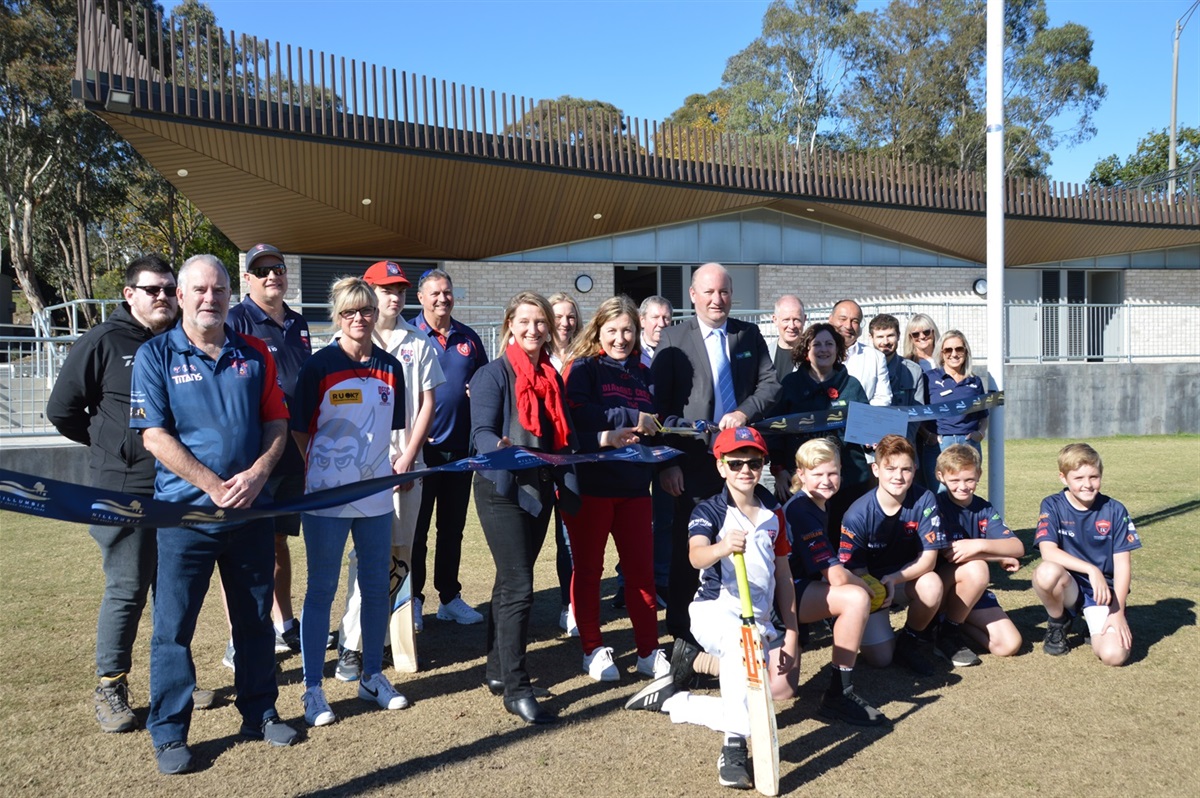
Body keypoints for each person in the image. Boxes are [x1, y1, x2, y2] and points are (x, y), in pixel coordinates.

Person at [130, 254, 297, 774]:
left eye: (219, 289)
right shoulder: (155, 355)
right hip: (186, 518)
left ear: (231, 295)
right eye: (200, 289)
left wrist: (257, 476)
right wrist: (211, 483)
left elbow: (277, 423)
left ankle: (261, 711)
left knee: (253, 622)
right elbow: (153, 435)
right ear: (180, 296)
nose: (211, 298)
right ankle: (170, 732)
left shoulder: (255, 353)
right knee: (173, 629)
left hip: (249, 514)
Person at [46, 254, 216, 732]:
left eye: (167, 288)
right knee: (127, 589)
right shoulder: (103, 340)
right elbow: (62, 410)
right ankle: (111, 686)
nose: (161, 296)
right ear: (129, 295)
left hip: (176, 488)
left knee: (174, 591)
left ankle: (173, 680)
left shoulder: (178, 341)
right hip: (123, 489)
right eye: (151, 289)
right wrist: (112, 445)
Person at [624, 426, 797, 792]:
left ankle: (679, 702)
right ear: (721, 467)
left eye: (754, 462)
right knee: (740, 650)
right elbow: (695, 553)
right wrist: (721, 548)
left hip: (759, 620)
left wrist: (792, 633)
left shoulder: (774, 512)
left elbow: (783, 575)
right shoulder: (709, 509)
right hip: (713, 611)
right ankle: (733, 747)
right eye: (735, 464)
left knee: (771, 693)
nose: (745, 471)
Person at [290, 276, 410, 728]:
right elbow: (300, 428)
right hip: (326, 497)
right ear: (336, 317)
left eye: (365, 311)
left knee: (376, 586)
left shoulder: (390, 367)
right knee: (321, 588)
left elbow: (388, 430)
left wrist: (394, 464)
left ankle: (372, 676)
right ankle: (312, 689)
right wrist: (323, 471)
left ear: (375, 314)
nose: (358, 319)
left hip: (376, 495)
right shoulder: (318, 366)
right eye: (348, 312)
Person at [651, 262, 780, 644]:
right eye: (708, 292)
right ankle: (681, 631)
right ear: (693, 296)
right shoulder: (673, 338)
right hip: (690, 464)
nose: (716, 299)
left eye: (723, 292)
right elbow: (660, 407)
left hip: (739, 464)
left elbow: (770, 386)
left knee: (743, 540)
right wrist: (669, 463)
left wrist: (743, 412)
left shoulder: (749, 335)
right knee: (688, 547)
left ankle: (748, 617)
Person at [470, 291, 580, 724]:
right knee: (519, 586)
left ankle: (496, 667)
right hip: (502, 491)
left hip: (540, 493)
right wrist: (496, 447)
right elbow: (479, 430)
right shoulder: (492, 374)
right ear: (509, 326)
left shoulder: (551, 377)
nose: (533, 329)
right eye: (525, 321)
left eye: (541, 323)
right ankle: (516, 687)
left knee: (506, 584)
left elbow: (562, 438)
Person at [335, 261, 445, 681]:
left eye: (399, 289)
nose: (393, 297)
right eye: (385, 290)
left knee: (397, 555)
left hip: (405, 468)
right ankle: (351, 642)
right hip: (358, 470)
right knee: (361, 557)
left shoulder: (418, 343)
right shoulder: (348, 340)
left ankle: (385, 642)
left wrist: (410, 456)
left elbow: (427, 404)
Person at [562, 295, 668, 682]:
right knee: (589, 570)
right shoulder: (584, 367)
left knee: (641, 573)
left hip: (636, 486)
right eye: (612, 330)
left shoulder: (645, 370)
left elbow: (656, 417)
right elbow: (577, 414)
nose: (620, 338)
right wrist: (629, 417)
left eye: (627, 330)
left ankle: (648, 650)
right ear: (598, 330)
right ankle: (592, 647)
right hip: (592, 485)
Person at [224, 243, 311, 664]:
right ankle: (238, 636)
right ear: (247, 279)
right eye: (261, 271)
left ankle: (285, 624)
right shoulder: (235, 319)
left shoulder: (297, 322)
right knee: (243, 546)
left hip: (292, 449)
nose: (271, 275)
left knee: (278, 540)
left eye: (277, 268)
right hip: (254, 451)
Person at [783, 439, 887, 725]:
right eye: (817, 474)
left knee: (784, 690)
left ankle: (839, 691)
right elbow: (836, 576)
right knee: (856, 597)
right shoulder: (800, 510)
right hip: (780, 600)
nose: (827, 481)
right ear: (801, 474)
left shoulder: (817, 503)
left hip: (795, 592)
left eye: (832, 473)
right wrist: (869, 586)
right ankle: (839, 695)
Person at [412, 268, 488, 630]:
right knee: (416, 530)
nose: (442, 298)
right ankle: (412, 599)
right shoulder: (408, 335)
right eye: (435, 293)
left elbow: (486, 385)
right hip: (419, 453)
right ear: (421, 298)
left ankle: (449, 597)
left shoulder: (469, 338)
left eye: (447, 292)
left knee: (452, 529)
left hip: (460, 452)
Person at [838, 435, 946, 676]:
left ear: (915, 469)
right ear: (876, 469)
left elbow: (929, 560)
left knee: (932, 584)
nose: (898, 476)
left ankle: (909, 641)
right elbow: (855, 570)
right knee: (881, 660)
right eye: (890, 468)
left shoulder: (925, 499)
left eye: (906, 469)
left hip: (900, 581)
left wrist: (894, 578)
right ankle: (861, 621)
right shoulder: (856, 514)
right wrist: (877, 591)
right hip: (870, 588)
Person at [1032, 443, 1140, 666]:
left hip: (1103, 594)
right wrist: (1091, 570)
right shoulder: (1052, 504)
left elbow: (1123, 566)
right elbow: (1047, 551)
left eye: (1094, 476)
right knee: (1045, 572)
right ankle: (1058, 621)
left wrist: (1117, 611)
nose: (1088, 484)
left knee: (1114, 656)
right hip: (1069, 585)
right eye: (1079, 478)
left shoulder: (1115, 510)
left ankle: (1094, 625)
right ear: (1063, 478)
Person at [767, 323, 870, 535]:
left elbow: (868, 431)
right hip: (799, 478)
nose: (824, 349)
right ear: (806, 350)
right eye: (817, 344)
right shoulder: (790, 384)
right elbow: (776, 430)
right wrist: (779, 470)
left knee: (845, 537)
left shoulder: (852, 386)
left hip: (847, 480)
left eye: (829, 344)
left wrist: (873, 438)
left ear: (838, 350)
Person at [933, 445, 1024, 664]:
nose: (962, 487)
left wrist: (980, 545)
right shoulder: (935, 505)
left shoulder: (983, 508)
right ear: (941, 477)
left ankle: (948, 624)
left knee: (1009, 645)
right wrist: (995, 555)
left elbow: (1017, 548)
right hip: (940, 588)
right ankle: (948, 634)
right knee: (978, 568)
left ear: (979, 475)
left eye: (969, 480)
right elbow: (951, 554)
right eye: (955, 481)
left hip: (971, 588)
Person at [548, 291, 583, 632]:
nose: (565, 322)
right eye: (558, 315)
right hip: (541, 457)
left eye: (570, 315)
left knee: (569, 538)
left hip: (574, 458)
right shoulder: (537, 355)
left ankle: (569, 604)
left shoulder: (586, 355)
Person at [925, 329, 988, 487]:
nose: (954, 354)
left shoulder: (975, 381)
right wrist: (928, 436)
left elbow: (983, 415)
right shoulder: (929, 378)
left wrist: (980, 433)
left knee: (965, 491)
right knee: (940, 493)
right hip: (940, 444)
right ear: (941, 353)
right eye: (948, 350)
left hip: (969, 443)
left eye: (959, 349)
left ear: (966, 351)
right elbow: (918, 411)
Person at [868, 313, 927, 445]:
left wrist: (903, 443)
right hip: (869, 446)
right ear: (871, 338)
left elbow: (917, 413)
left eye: (890, 335)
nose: (885, 342)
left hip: (903, 445)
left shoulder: (914, 371)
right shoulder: (861, 369)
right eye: (880, 337)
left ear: (898, 336)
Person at [829, 299, 891, 406]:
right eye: (843, 319)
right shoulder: (815, 353)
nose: (848, 326)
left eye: (855, 321)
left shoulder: (876, 358)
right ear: (830, 320)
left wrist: (860, 416)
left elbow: (882, 398)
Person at [771, 294, 807, 381]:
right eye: (786, 320)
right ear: (775, 320)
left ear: (804, 319)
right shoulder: (764, 353)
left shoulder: (813, 355)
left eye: (796, 320)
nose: (791, 326)